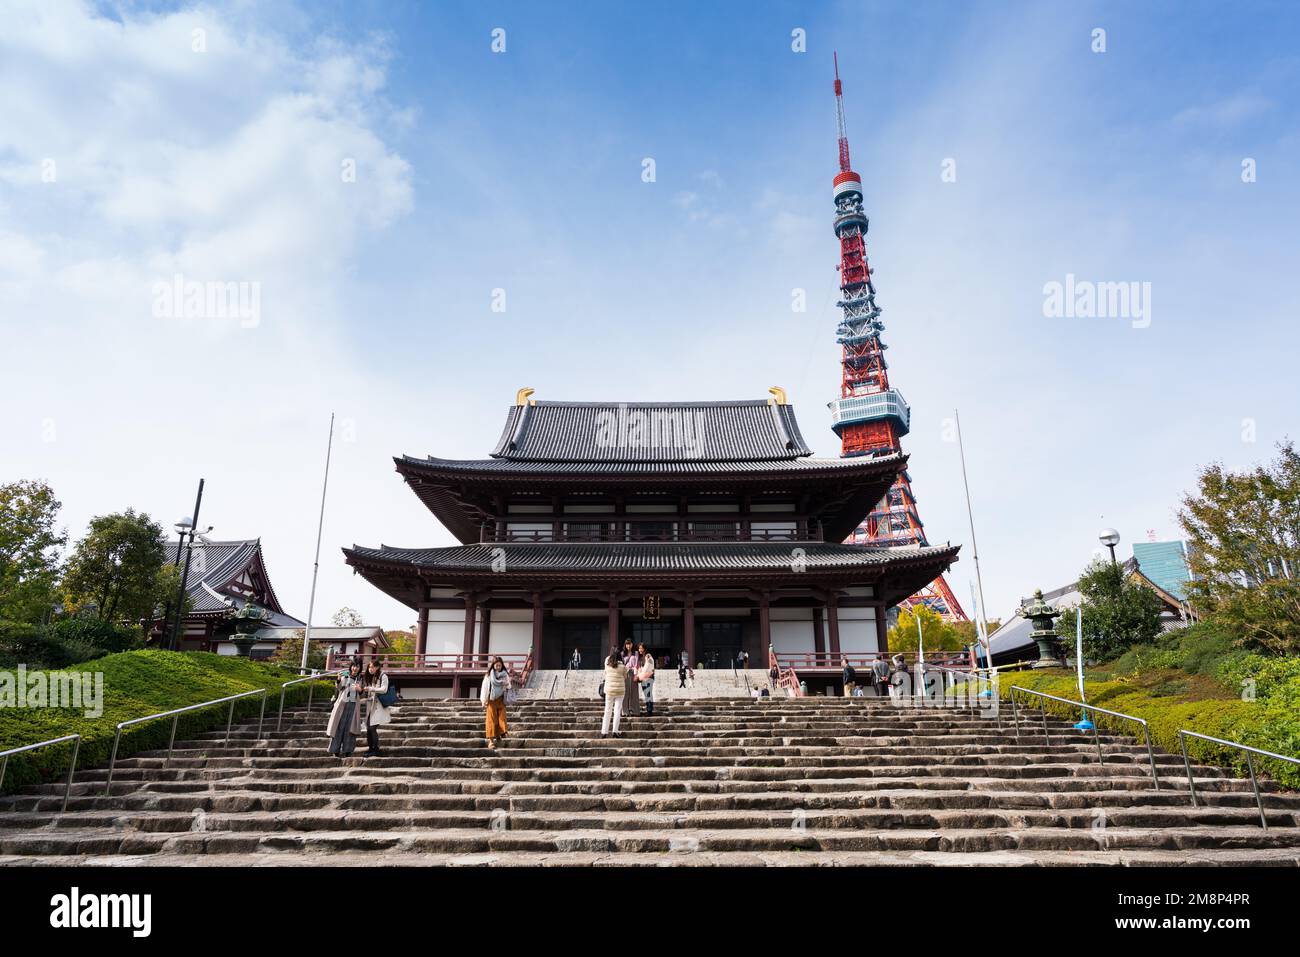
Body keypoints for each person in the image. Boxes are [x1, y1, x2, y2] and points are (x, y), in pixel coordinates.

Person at [326, 661, 363, 758]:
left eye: (357, 666)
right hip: (342, 705)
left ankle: (348, 750)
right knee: (338, 726)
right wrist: (338, 679)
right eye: (354, 666)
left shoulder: (360, 678)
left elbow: (363, 693)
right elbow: (339, 687)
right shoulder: (345, 676)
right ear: (351, 667)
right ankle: (335, 750)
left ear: (360, 668)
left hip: (353, 706)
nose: (355, 668)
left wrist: (360, 690)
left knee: (350, 728)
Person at [359, 658, 391, 757]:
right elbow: (372, 695)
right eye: (369, 667)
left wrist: (371, 688)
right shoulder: (372, 677)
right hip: (372, 707)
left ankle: (376, 749)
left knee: (372, 728)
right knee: (369, 728)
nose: (370, 669)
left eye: (372, 667)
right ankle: (371, 749)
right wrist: (364, 699)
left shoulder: (383, 675)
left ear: (377, 667)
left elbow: (384, 689)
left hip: (379, 707)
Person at [479, 656, 511, 751]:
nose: (498, 667)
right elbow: (485, 688)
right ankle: (491, 741)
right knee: (491, 720)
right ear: (493, 666)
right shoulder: (489, 675)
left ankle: (500, 735)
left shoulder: (505, 675)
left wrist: (506, 684)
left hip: (501, 700)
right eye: (496, 665)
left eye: (500, 665)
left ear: (502, 666)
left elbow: (509, 686)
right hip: (491, 700)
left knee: (502, 718)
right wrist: (483, 700)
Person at [601, 651, 627, 738]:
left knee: (607, 711)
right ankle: (615, 731)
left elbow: (605, 674)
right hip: (620, 691)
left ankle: (604, 732)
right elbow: (625, 677)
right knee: (617, 711)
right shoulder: (623, 667)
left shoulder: (607, 666)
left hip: (609, 691)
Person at [621, 639, 641, 717]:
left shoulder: (636, 653)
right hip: (625, 673)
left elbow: (637, 664)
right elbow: (621, 664)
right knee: (625, 692)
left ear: (632, 644)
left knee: (634, 692)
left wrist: (636, 674)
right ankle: (625, 711)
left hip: (633, 673)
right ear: (625, 645)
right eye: (627, 644)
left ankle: (634, 710)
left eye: (629, 644)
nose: (628, 646)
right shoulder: (622, 654)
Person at [636, 641, 656, 717]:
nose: (639, 650)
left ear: (644, 649)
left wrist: (639, 675)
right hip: (643, 678)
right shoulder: (642, 657)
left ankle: (650, 710)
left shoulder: (648, 656)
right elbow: (641, 668)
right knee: (646, 694)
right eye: (639, 648)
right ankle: (649, 708)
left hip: (648, 678)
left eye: (641, 648)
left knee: (648, 694)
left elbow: (647, 668)